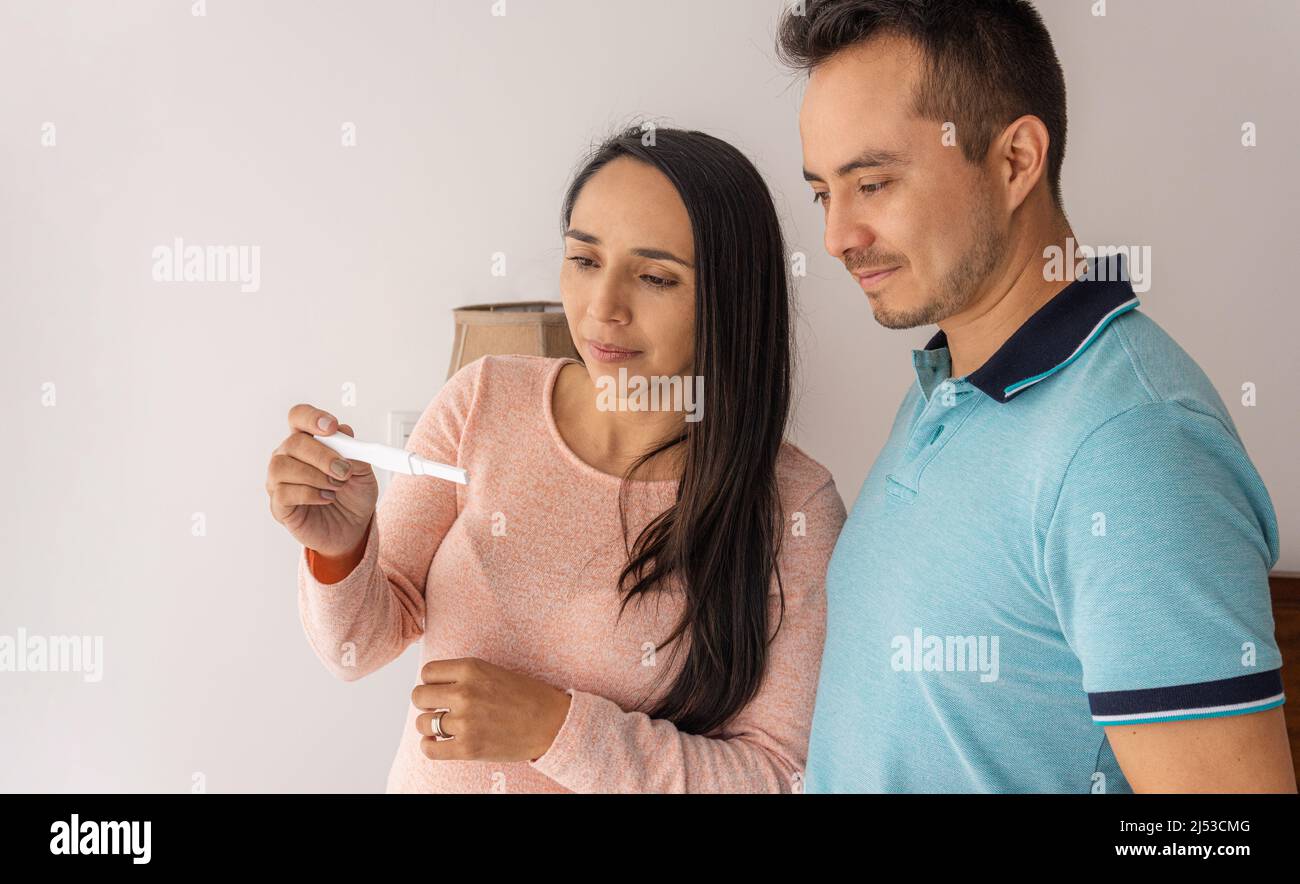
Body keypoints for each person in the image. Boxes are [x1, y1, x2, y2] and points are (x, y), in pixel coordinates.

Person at [777, 0, 1294, 792]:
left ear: (1016, 159)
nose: (837, 236)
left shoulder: (1135, 447)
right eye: (823, 193)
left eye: (872, 183)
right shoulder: (941, 386)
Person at [265, 125, 847, 792]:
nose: (603, 309)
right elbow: (357, 648)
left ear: (734, 298)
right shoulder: (482, 400)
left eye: (655, 276)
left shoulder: (795, 507)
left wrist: (553, 729)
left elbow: (781, 779)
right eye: (586, 260)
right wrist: (341, 547)